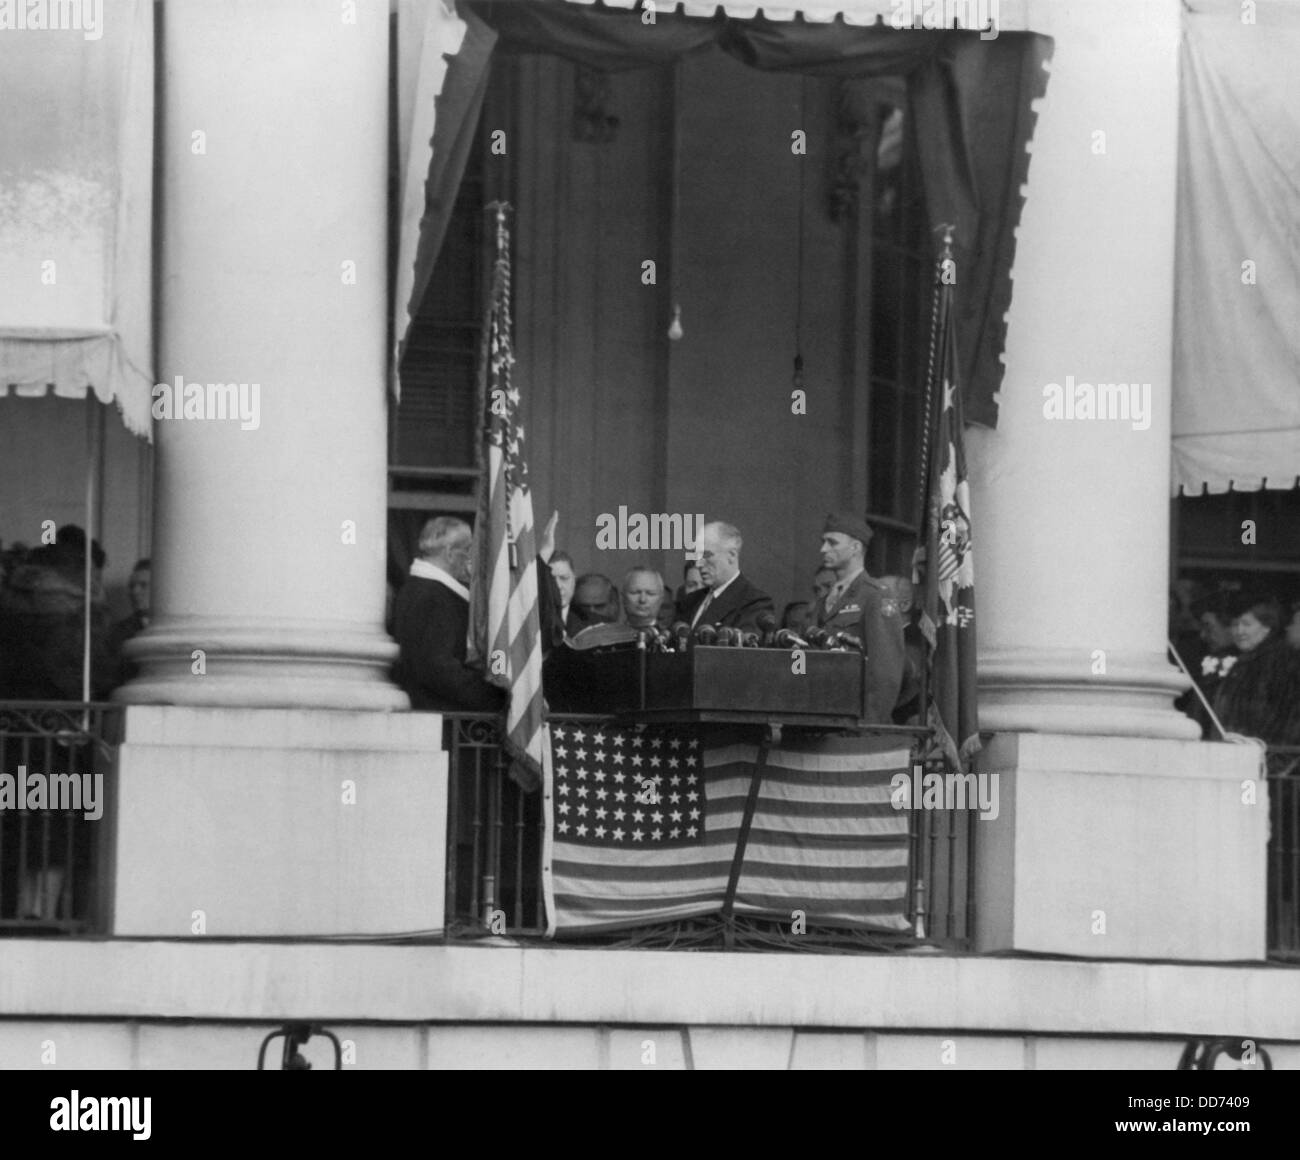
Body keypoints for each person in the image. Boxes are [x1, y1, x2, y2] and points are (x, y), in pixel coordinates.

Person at [391, 516, 505, 711]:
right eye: (468, 550)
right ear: (450, 553)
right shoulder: (432, 596)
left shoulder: (419, 590)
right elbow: (438, 668)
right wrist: (494, 696)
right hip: (443, 721)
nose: (472, 558)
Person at [816, 513, 905, 724]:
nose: (823, 549)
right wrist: (797, 682)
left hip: (856, 721)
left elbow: (885, 670)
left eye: (832, 543)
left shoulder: (877, 595)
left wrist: (871, 722)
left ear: (855, 547)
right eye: (823, 542)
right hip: (819, 716)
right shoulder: (823, 600)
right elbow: (800, 653)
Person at [1212, 596, 1300, 754]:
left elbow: (1280, 714)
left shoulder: (1277, 662)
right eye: (1235, 624)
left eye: (1246, 624)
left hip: (1262, 753)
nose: (1239, 631)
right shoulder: (1247, 661)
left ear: (1267, 628)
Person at [677, 521, 773, 632]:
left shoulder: (754, 602)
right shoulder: (691, 600)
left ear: (731, 555)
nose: (698, 564)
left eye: (706, 555)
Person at [109, 558, 152, 687]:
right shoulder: (117, 631)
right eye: (132, 586)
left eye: (143, 585)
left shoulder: (178, 629)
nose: (135, 592)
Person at [621, 566, 666, 630]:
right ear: (623, 597)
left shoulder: (673, 638)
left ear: (661, 599)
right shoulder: (607, 636)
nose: (642, 599)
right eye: (635, 592)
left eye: (650, 593)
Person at [549, 551, 576, 633]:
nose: (558, 586)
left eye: (564, 578)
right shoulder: (532, 623)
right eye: (551, 581)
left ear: (574, 580)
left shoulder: (594, 624)